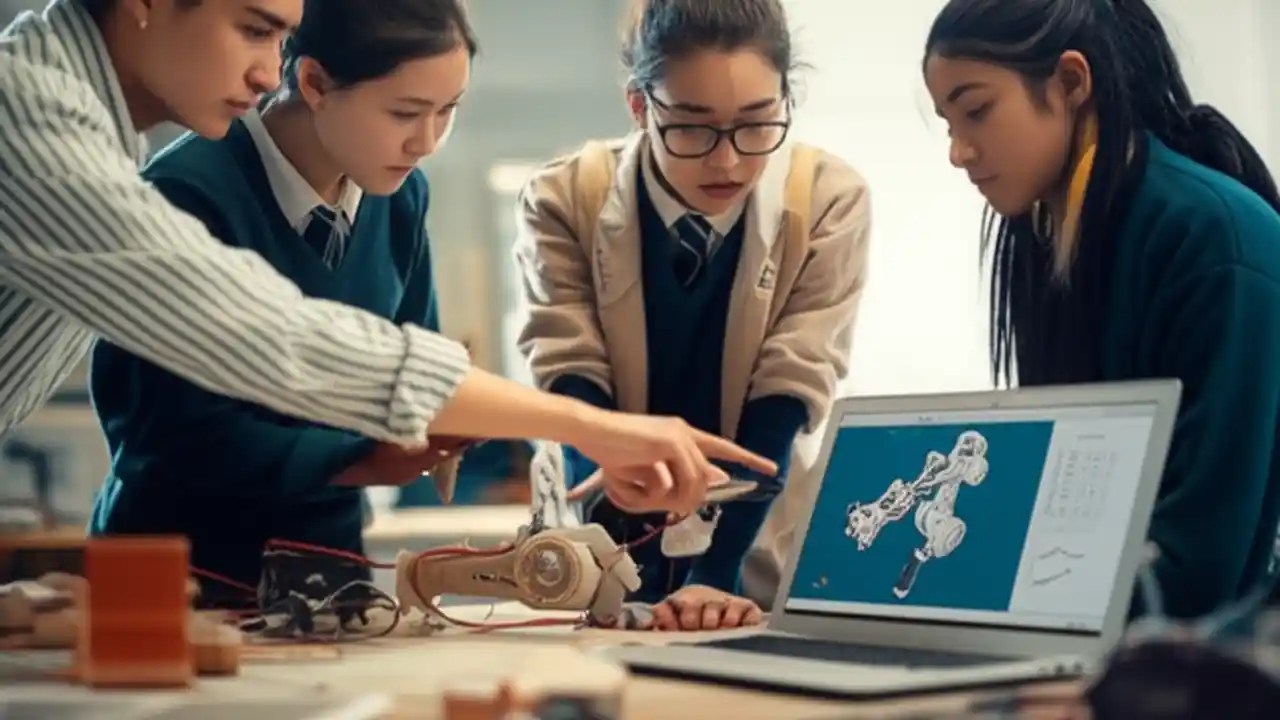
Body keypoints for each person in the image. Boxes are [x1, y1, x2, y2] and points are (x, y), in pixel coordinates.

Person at [0, 0, 777, 517]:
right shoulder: (27, 114)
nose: (271, 74)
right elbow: (266, 336)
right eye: (252, 26)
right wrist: (595, 427)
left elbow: (414, 361)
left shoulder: (87, 126)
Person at [86, 0, 479, 600]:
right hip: (177, 579)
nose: (426, 142)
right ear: (314, 82)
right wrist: (364, 459)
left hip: (329, 570)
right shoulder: (185, 193)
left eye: (447, 112)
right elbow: (168, 434)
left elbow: (415, 366)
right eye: (405, 112)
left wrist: (432, 429)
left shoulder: (400, 196)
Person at [514, 0, 871, 621]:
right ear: (638, 106)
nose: (727, 161)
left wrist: (717, 572)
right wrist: (611, 533)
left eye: (757, 124)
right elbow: (571, 378)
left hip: (752, 547)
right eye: (692, 126)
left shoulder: (827, 200)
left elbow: (790, 388)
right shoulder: (564, 197)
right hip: (603, 541)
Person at [923, 0, 1280, 619]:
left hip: (1194, 667)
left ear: (1070, 82)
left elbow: (1203, 557)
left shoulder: (1216, 239)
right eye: (948, 122)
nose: (958, 151)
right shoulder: (1048, 234)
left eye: (976, 111)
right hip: (1094, 642)